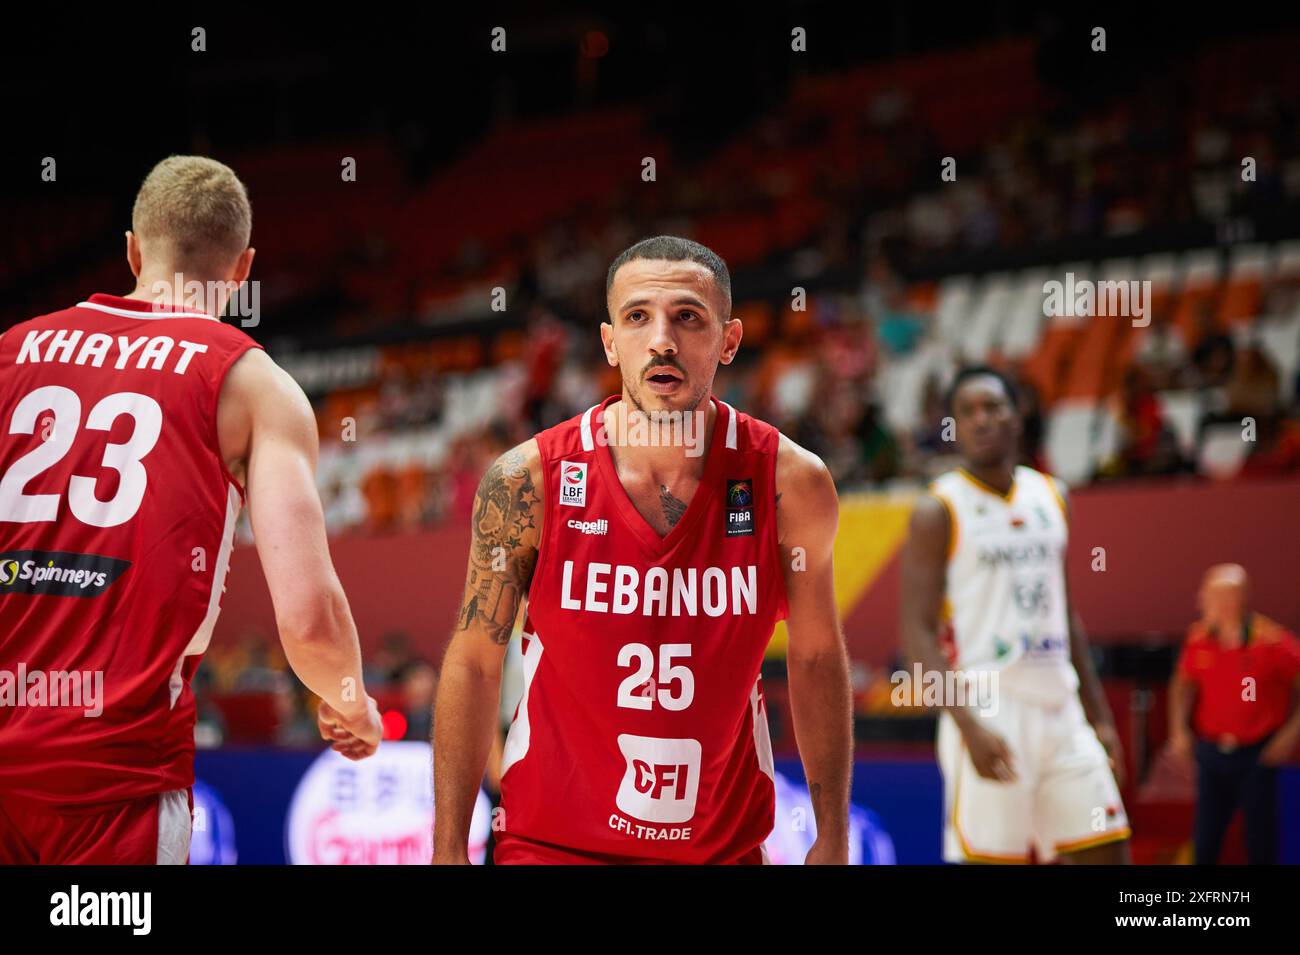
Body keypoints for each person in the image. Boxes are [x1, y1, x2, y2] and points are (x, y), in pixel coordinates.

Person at [0, 156, 381, 865]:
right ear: (242, 271)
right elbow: (306, 615)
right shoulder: (255, 383)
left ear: (134, 251)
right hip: (115, 782)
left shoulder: (11, 350)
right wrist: (351, 698)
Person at [433, 235, 852, 864]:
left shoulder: (790, 483)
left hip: (721, 850)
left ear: (729, 340)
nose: (663, 339)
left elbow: (817, 658)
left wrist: (833, 835)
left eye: (688, 317)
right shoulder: (528, 482)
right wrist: (446, 850)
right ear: (609, 342)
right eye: (638, 317)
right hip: (550, 847)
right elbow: (473, 663)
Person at [900, 365, 1131, 864]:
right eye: (968, 412)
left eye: (993, 407)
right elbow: (915, 633)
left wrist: (1100, 718)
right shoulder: (938, 508)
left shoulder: (1052, 495)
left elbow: (1067, 617)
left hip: (1062, 709)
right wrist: (966, 727)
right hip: (989, 709)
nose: (982, 420)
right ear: (953, 427)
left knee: (1109, 850)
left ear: (1016, 415)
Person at [1168, 563, 1300, 864]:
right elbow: (1181, 683)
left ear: (1231, 602)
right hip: (1212, 753)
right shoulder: (1199, 638)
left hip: (1258, 754)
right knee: (1206, 841)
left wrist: (1290, 734)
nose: (1200, 601)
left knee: (1261, 841)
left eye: (1208, 596)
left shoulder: (1272, 642)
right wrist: (1178, 728)